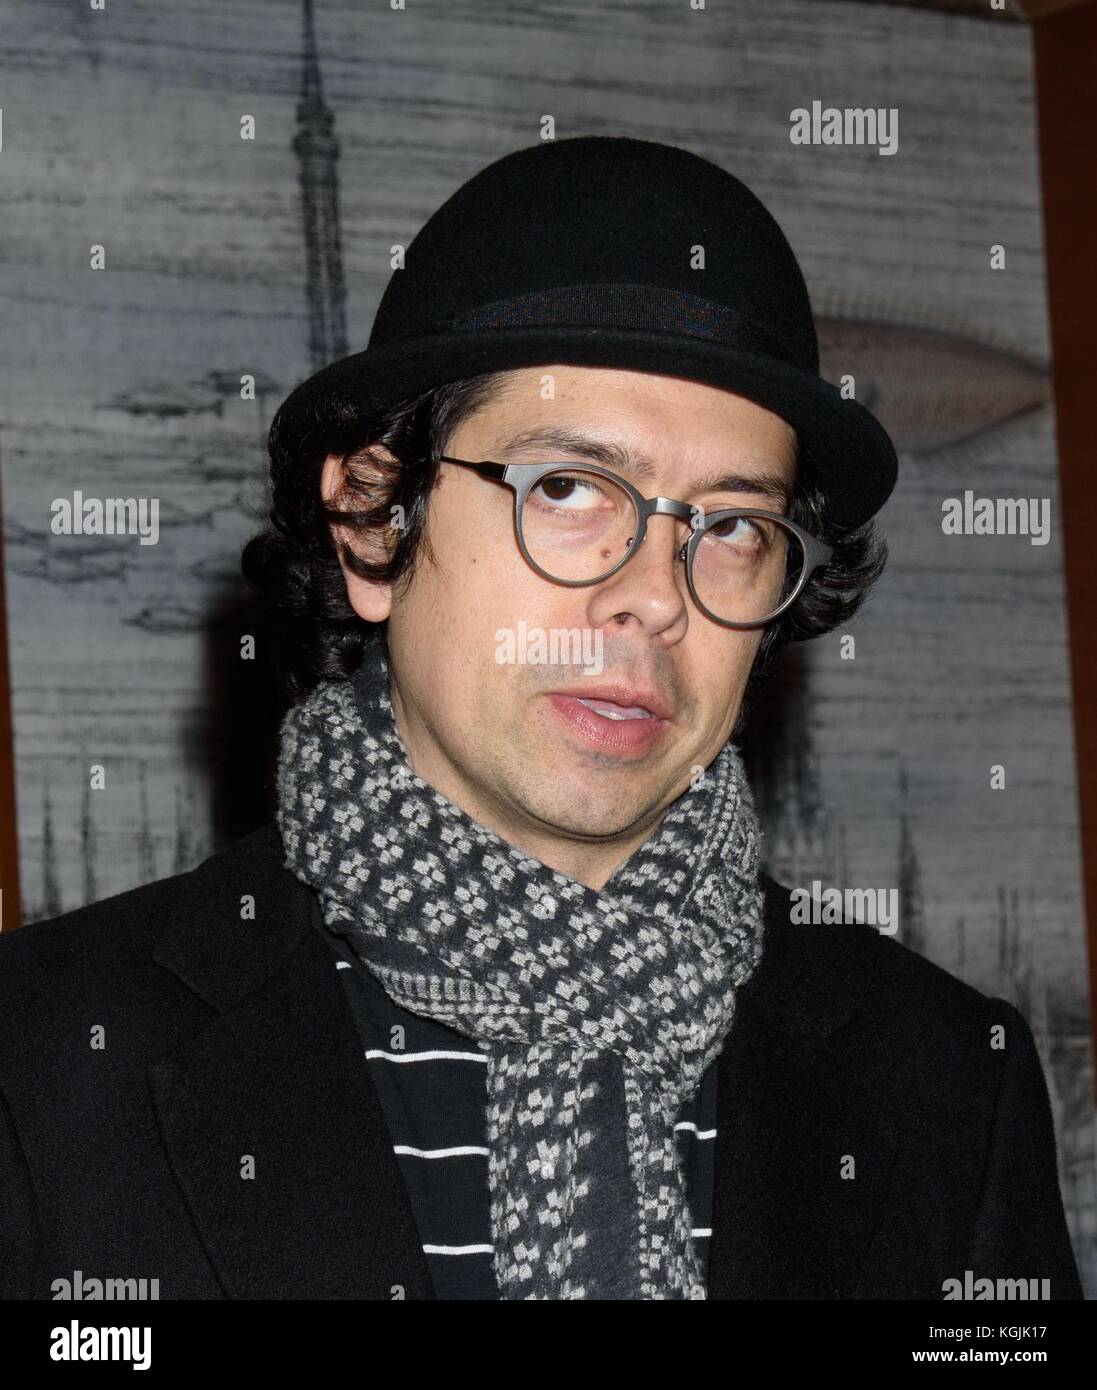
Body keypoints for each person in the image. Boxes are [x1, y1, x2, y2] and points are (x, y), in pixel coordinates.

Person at [0, 136, 1082, 1300]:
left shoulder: (939, 1081)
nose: (656, 596)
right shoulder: (42, 1059)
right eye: (566, 490)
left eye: (728, 526)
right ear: (372, 519)